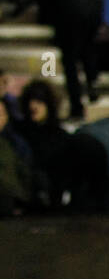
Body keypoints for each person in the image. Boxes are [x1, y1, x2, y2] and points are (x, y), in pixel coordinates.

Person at [15, 80, 72, 210]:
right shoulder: (20, 130)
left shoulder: (59, 134)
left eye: (39, 102)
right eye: (31, 101)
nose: (33, 106)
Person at [0, 98, 34, 216]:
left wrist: (23, 197)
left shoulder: (15, 143)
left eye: (1, 114)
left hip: (13, 203)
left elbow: (25, 172)